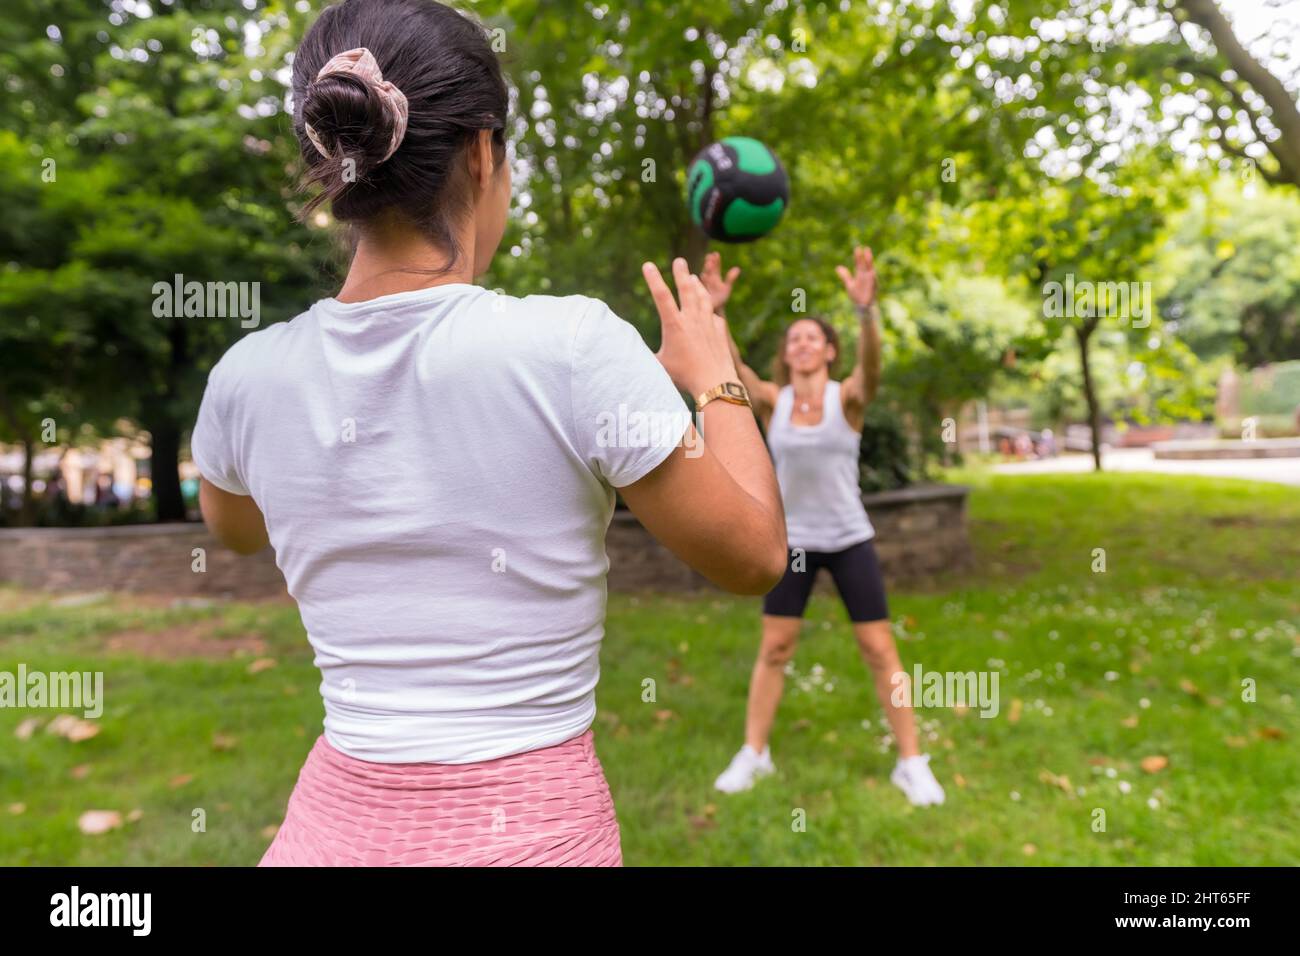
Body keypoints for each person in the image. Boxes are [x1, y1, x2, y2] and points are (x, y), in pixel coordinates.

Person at [191, 0, 787, 866]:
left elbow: (234, 530)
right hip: (534, 835)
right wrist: (716, 378)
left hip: (327, 833)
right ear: (481, 153)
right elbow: (756, 554)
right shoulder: (574, 346)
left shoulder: (247, 378)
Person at [704, 247, 945, 806]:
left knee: (880, 649)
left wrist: (867, 313)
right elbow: (732, 368)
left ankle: (912, 761)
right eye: (795, 340)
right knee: (776, 648)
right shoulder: (772, 401)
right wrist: (717, 313)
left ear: (831, 351)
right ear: (787, 356)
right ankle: (754, 754)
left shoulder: (848, 399)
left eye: (813, 338)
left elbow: (874, 369)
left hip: (849, 538)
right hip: (793, 545)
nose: (803, 344)